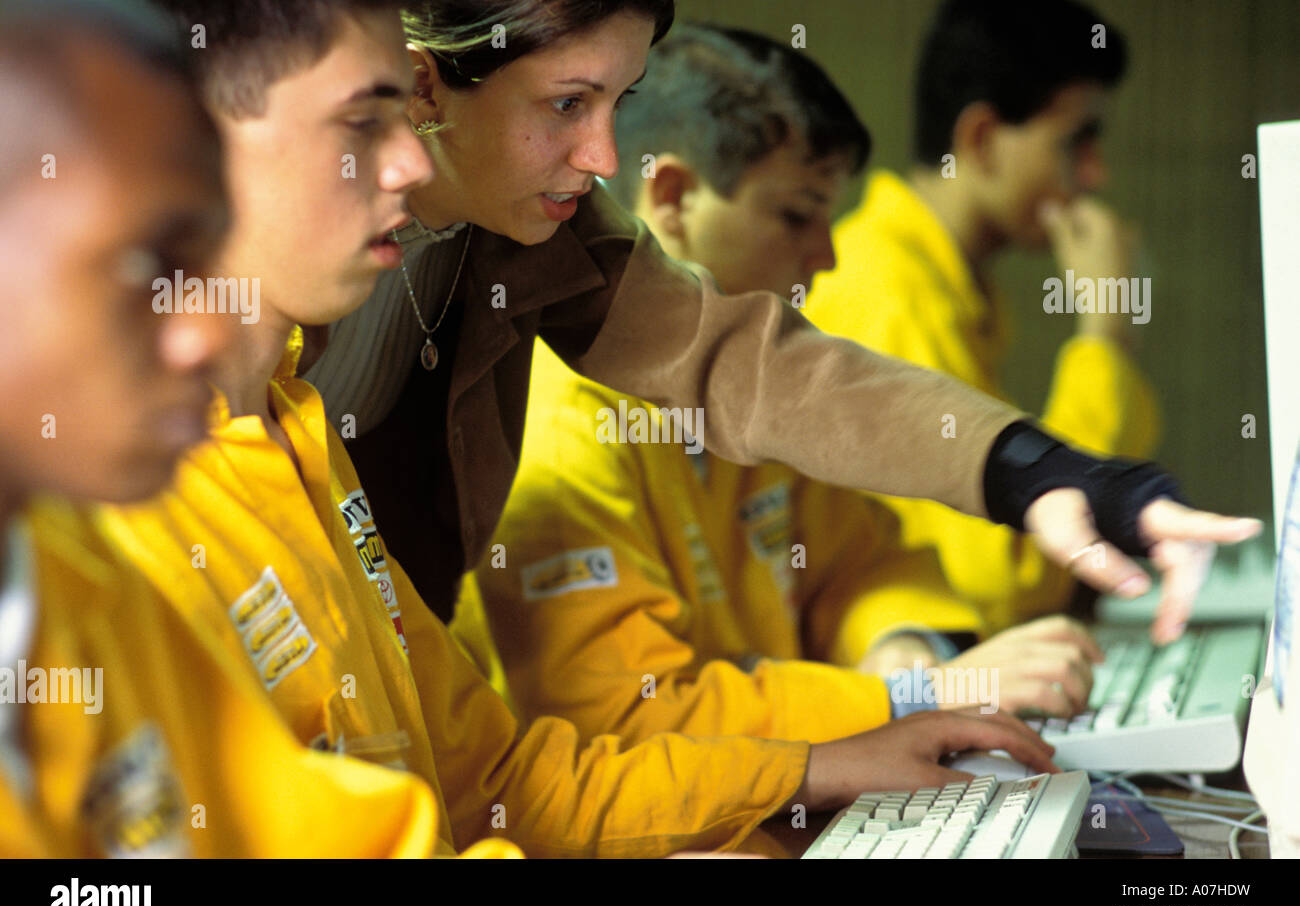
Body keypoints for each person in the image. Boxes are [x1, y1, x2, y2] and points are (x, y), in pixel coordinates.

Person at [90, 0, 1058, 858]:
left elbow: (497, 788)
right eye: (363, 119)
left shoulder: (300, 427)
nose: (409, 158)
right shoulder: (112, 520)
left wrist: (806, 768)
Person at [300, 0, 1255, 653]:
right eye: (566, 105)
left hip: (389, 687)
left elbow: (746, 366)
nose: (604, 156)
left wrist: (1041, 473)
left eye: (616, 104)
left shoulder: (532, 226)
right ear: (426, 88)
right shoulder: (267, 239)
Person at [454, 24, 1104, 748]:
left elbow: (861, 561)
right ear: (672, 197)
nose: (827, 256)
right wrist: (904, 697)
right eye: (796, 215)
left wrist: (901, 648)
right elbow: (629, 721)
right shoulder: (560, 425)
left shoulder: (758, 386)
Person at [0, 0, 455, 858]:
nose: (203, 325)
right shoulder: (124, 536)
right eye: (150, 265)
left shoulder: (80, 588)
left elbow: (370, 826)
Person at [806, 0, 1163, 674]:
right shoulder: (892, 293)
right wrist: (1106, 334)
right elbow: (1003, 592)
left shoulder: (946, 282)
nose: (1094, 175)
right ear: (981, 139)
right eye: (1073, 141)